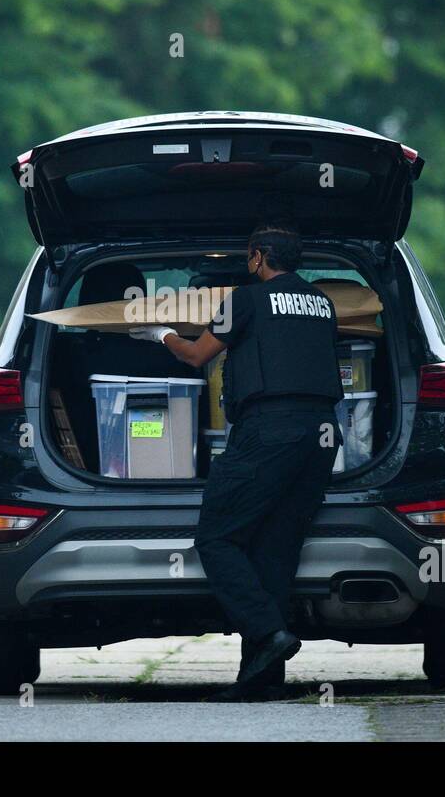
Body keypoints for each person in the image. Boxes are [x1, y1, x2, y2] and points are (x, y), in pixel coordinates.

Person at [130, 222, 342, 701]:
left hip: (269, 432)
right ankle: (261, 680)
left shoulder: (246, 300)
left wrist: (161, 332)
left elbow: (196, 355)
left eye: (250, 256)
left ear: (258, 257)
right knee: (274, 551)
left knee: (218, 537)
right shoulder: (322, 303)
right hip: (322, 436)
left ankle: (270, 633)